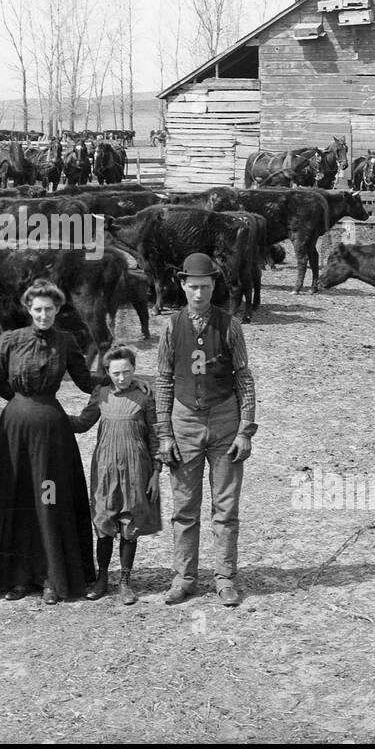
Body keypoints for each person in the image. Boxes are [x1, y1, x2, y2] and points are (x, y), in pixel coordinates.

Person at [0, 281, 97, 604]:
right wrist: (22, 402)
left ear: (58, 309)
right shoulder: (9, 340)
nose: (44, 314)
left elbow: (87, 382)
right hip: (14, 430)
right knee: (17, 496)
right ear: (28, 309)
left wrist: (110, 393)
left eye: (49, 309)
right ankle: (18, 576)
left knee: (49, 498)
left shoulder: (66, 341)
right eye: (38, 309)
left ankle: (51, 576)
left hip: (52, 434)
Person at [154, 253, 257, 608]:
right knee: (184, 506)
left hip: (225, 421)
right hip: (184, 422)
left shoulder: (230, 324)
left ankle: (225, 576)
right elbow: (164, 381)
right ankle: (184, 577)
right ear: (182, 285)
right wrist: (164, 433)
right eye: (193, 286)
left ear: (214, 286)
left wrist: (245, 429)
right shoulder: (170, 326)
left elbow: (243, 377)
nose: (199, 293)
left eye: (205, 286)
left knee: (225, 508)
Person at [69, 346, 162, 606]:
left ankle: (125, 581)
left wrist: (156, 472)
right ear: (107, 372)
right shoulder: (101, 394)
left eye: (127, 372)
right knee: (103, 521)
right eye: (116, 373)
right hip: (105, 468)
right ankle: (102, 578)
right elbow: (82, 423)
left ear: (134, 370)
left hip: (136, 470)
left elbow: (155, 437)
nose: (122, 378)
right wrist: (52, 415)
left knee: (129, 524)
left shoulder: (145, 397)